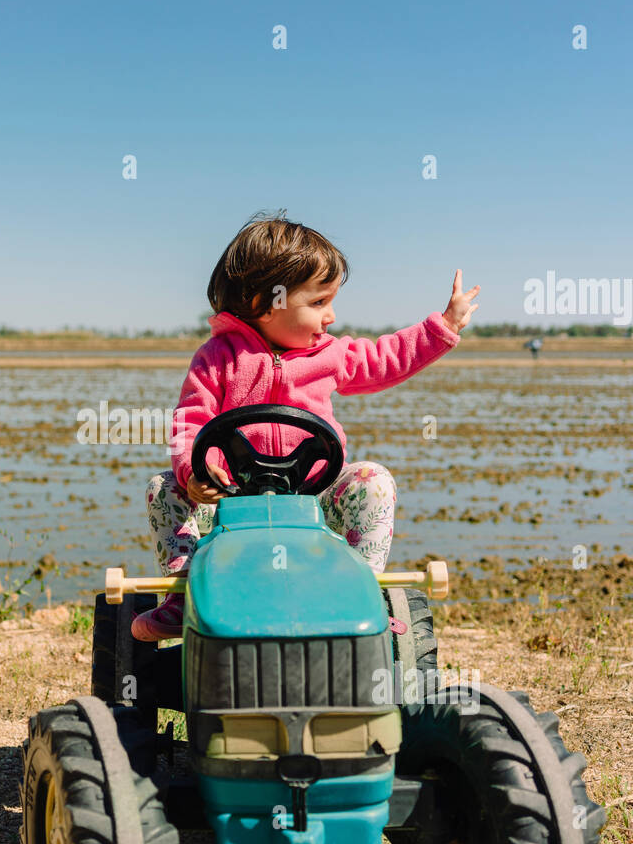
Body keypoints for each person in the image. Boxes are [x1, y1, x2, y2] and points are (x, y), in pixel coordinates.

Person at [133, 211, 478, 641]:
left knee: (373, 480)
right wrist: (195, 472)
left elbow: (384, 357)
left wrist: (441, 327)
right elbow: (192, 418)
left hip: (315, 495)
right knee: (163, 487)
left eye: (331, 301)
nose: (331, 316)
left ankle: (360, 595)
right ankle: (185, 593)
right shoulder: (217, 357)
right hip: (230, 499)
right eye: (318, 303)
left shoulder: (329, 354)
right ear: (264, 303)